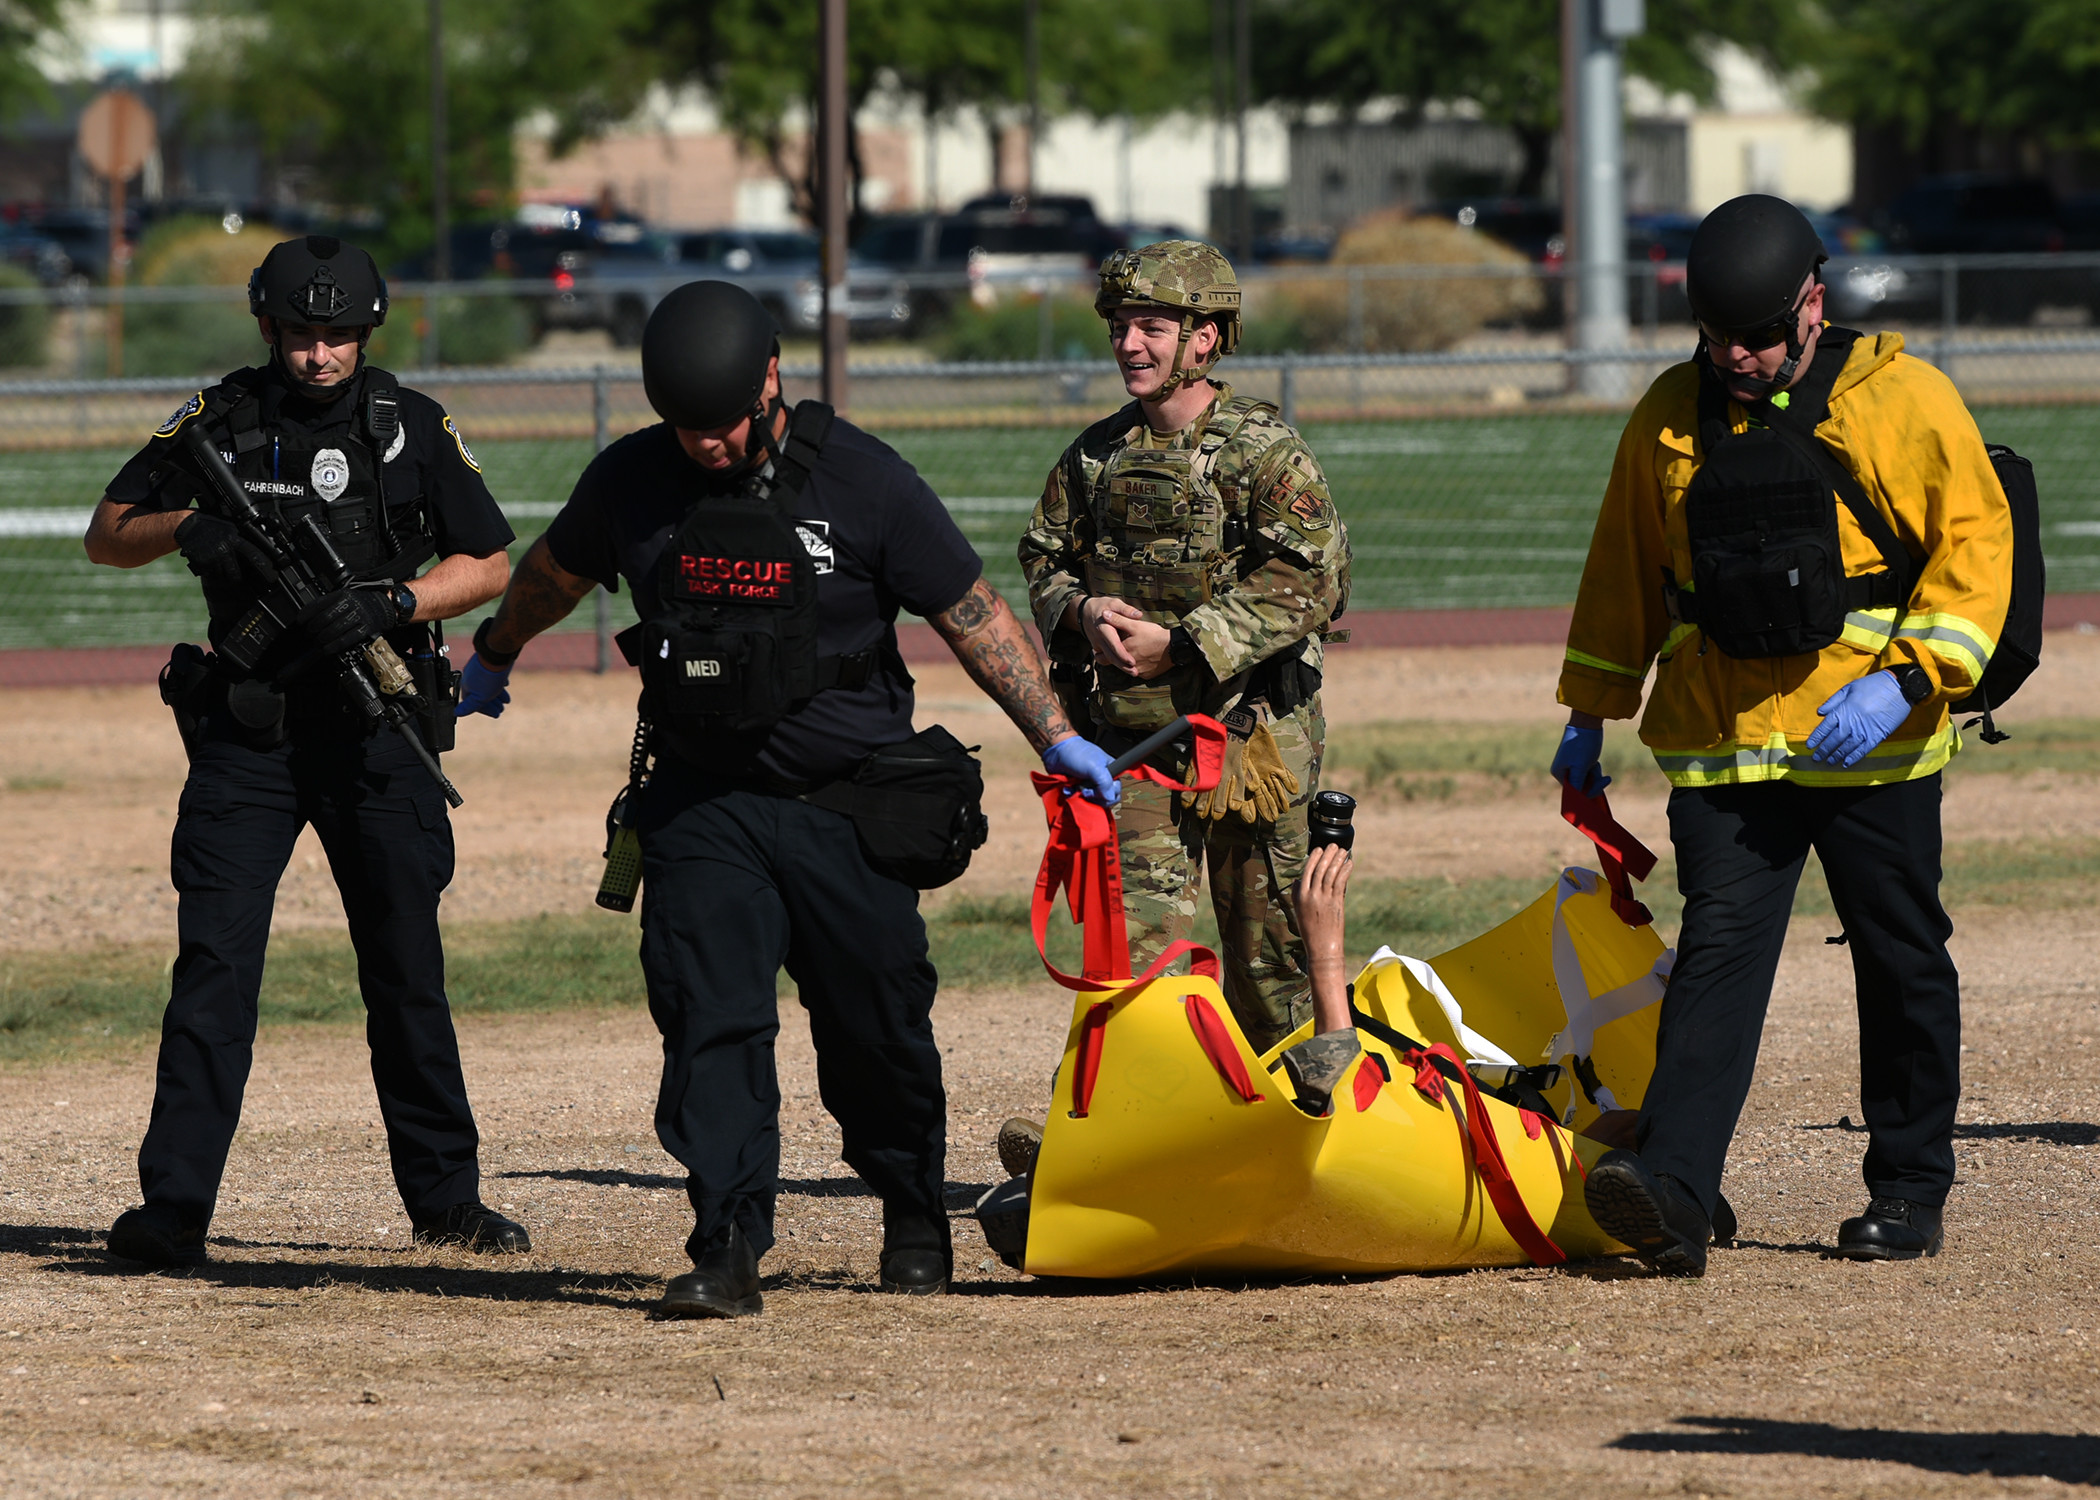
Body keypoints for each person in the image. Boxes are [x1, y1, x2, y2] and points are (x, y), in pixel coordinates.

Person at [457, 279, 1116, 1317]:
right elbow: (558, 568)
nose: (707, 446)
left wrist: (1058, 733)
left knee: (875, 1029)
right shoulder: (633, 478)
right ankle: (725, 1239)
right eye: (687, 429)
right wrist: (494, 650)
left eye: (721, 426)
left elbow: (971, 611)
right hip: (703, 802)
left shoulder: (863, 480)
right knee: (710, 1024)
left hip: (845, 801)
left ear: (772, 377)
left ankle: (909, 1210)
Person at [1552, 194, 2013, 1276]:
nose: (1740, 358)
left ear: (1813, 302)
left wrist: (1907, 682)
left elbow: (1976, 553)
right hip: (1724, 748)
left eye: (1759, 337)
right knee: (1715, 960)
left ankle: (1906, 1189)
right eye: (1719, 340)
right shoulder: (1668, 414)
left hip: (1875, 744)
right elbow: (1624, 572)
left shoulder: (1903, 399)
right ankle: (1672, 1192)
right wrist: (1589, 715)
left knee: (1900, 959)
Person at [82, 235, 528, 1264]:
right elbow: (109, 530)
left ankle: (446, 1201)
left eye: (338, 336)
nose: (319, 355)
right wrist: (191, 528)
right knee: (215, 968)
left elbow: (492, 559)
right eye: (300, 335)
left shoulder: (410, 426)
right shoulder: (218, 420)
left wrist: (392, 599)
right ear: (267, 328)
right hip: (250, 734)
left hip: (376, 728)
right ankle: (175, 1210)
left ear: (369, 333)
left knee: (405, 969)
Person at [1017, 240, 1352, 1059]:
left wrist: (1186, 643)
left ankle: (1309, 1133)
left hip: (1251, 742)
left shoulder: (1261, 450)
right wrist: (1083, 610)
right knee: (1130, 962)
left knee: (1271, 971)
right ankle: (1122, 1141)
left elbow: (1318, 574)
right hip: (1135, 742)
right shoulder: (1095, 454)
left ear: (1206, 337)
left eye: (1153, 327)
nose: (1130, 344)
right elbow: (1042, 556)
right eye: (1121, 327)